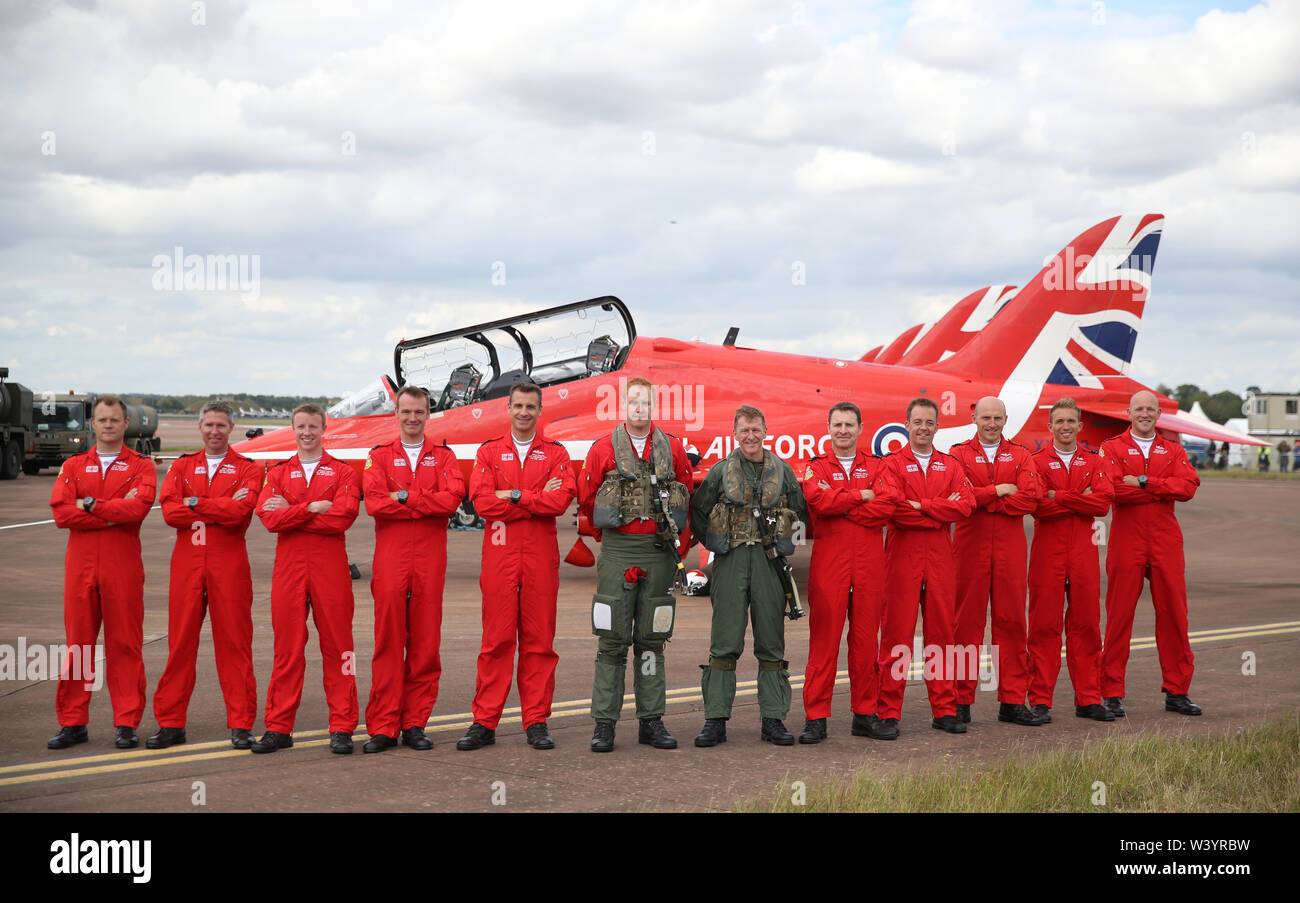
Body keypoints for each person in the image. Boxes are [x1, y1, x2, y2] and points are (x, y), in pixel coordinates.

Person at [458, 383, 577, 751]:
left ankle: (536, 720)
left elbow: (559, 502)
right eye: (518, 406)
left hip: (540, 558)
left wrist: (512, 494)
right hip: (500, 558)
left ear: (539, 411)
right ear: (508, 409)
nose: (524, 412)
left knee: (539, 642)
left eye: (531, 406)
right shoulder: (490, 451)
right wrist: (534, 499)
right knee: (496, 641)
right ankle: (484, 721)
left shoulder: (557, 453)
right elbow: (481, 503)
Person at [578, 377, 693, 752]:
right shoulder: (602, 450)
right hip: (617, 553)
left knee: (651, 641)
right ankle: (604, 724)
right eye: (634, 402)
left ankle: (651, 721)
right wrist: (609, 544)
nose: (640, 408)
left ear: (655, 406)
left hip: (658, 552)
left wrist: (677, 547)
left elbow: (686, 496)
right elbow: (587, 497)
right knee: (611, 641)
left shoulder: (672, 449)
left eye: (646, 402)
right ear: (624, 406)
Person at [690, 404, 808, 747]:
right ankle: (715, 720)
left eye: (756, 429)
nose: (751, 436)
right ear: (735, 433)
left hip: (769, 563)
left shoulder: (783, 471)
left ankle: (773, 719)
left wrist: (788, 545)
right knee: (725, 642)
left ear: (765, 431)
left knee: (771, 643)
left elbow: (799, 511)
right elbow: (699, 510)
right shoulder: (721, 471)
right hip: (731, 561)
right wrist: (717, 544)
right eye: (744, 430)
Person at [147, 400, 262, 750]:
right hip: (187, 563)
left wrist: (195, 503)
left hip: (229, 564)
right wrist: (218, 505)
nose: (215, 431)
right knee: (181, 643)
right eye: (209, 425)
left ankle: (241, 724)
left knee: (235, 645)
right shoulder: (182, 466)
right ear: (200, 427)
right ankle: (170, 722)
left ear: (231, 429)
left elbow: (240, 513)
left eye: (221, 426)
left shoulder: (249, 468)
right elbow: (171, 512)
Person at [47, 395, 157, 750]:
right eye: (102, 419)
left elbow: (138, 509)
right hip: (80, 566)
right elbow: (62, 514)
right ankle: (73, 721)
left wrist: (90, 505)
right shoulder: (75, 465)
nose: (108, 425)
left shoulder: (142, 466)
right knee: (79, 645)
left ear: (127, 425)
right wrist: (112, 513)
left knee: (124, 644)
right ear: (92, 424)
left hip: (122, 566)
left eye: (114, 420)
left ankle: (126, 721)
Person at [361, 386, 466, 753]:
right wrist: (425, 502)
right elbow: (375, 503)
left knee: (424, 643)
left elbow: (451, 500)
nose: (412, 418)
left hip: (429, 558)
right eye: (406, 411)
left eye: (418, 412)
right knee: (388, 640)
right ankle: (383, 725)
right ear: (397, 413)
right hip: (391, 558)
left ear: (427, 414)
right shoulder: (379, 456)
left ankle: (415, 723)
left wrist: (404, 497)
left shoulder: (444, 456)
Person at [253, 404, 362, 754]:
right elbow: (269, 520)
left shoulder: (343, 472)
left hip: (329, 567)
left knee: (339, 649)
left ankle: (342, 727)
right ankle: (279, 727)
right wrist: (313, 508)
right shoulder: (279, 472)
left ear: (324, 428)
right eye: (301, 426)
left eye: (313, 426)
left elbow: (342, 518)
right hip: (290, 568)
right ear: (293, 428)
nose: (307, 433)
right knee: (287, 650)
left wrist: (290, 510)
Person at [798, 402, 901, 743]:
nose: (843, 430)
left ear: (860, 429)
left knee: (865, 643)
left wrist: (842, 505)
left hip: (870, 566)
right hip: (831, 566)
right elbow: (819, 502)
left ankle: (865, 713)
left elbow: (887, 506)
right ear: (828, 428)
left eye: (849, 425)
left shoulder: (878, 465)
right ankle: (816, 717)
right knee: (823, 643)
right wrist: (861, 496)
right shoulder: (817, 468)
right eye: (837, 424)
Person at [1099, 390, 1202, 717]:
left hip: (1164, 540)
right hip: (1127, 538)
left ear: (1158, 414)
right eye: (1139, 409)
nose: (1144, 414)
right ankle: (1111, 691)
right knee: (1118, 615)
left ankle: (1177, 690)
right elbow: (1112, 489)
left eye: (1150, 409)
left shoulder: (1173, 450)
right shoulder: (1111, 448)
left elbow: (1188, 488)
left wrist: (1144, 482)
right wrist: (1159, 488)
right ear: (1128, 412)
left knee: (1174, 614)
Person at [877, 397, 975, 736]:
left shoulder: (950, 466)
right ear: (906, 425)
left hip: (939, 557)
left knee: (942, 636)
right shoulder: (890, 465)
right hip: (901, 556)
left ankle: (946, 710)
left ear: (937, 426)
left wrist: (921, 506)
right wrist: (938, 510)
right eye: (917, 422)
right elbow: (892, 510)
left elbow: (966, 506)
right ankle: (888, 711)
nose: (923, 428)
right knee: (896, 636)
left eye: (929, 422)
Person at [949, 396, 1043, 726]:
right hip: (969, 548)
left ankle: (1013, 700)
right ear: (974, 418)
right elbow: (959, 497)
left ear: (1006, 419)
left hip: (1010, 550)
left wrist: (985, 499)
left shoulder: (1021, 455)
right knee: (965, 625)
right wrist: (999, 490)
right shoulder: (958, 454)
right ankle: (959, 700)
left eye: (997, 418)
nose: (991, 423)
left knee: (1013, 623)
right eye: (985, 417)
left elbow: (1031, 498)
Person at [1026, 399, 1116, 722]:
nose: (1065, 427)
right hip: (1047, 552)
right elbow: (1037, 505)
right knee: (1043, 626)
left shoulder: (1095, 462)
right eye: (1059, 421)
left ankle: (1089, 698)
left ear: (1081, 426)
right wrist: (1081, 498)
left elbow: (1103, 504)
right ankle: (1039, 699)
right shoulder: (1034, 462)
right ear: (1049, 427)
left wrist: (1058, 496)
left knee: (1087, 625)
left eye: (1071, 421)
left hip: (1084, 552)